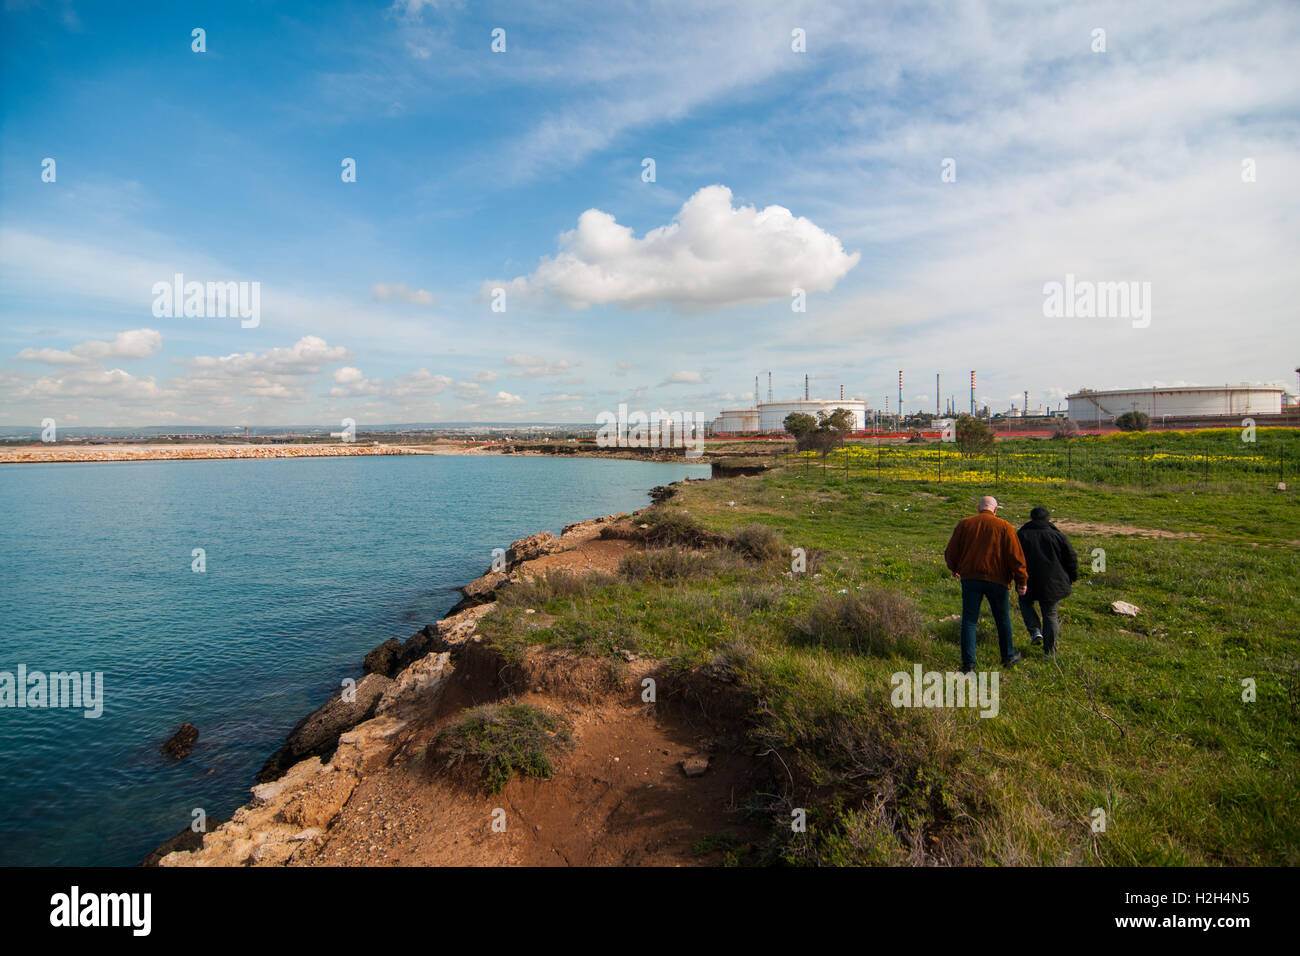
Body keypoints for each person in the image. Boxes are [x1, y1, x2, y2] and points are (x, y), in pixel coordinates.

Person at [943, 495, 1028, 672]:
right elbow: (1016, 557)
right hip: (998, 580)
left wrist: (955, 568)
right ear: (995, 510)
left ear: (978, 508)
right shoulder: (1004, 527)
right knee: (1002, 618)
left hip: (970, 579)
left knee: (969, 620)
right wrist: (1022, 580)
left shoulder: (965, 524)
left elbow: (950, 551)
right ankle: (1008, 657)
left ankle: (968, 665)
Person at [1015, 505, 1078, 659]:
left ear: (1032, 518)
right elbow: (1071, 558)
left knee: (1024, 603)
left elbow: (1014, 557)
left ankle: (1035, 630)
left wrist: (1015, 577)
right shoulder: (1058, 536)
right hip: (1053, 583)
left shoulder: (1022, 535)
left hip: (1028, 580)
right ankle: (1049, 653)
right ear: (1048, 519)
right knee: (1050, 614)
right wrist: (1072, 576)